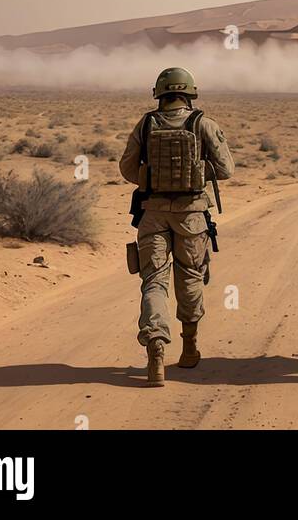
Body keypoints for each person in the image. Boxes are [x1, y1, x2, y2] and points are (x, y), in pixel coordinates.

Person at [119, 67, 234, 387]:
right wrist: (197, 170)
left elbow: (127, 169)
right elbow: (226, 169)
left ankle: (155, 345)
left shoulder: (145, 124)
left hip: (152, 215)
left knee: (154, 281)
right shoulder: (203, 124)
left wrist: (153, 177)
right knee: (191, 277)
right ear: (190, 93)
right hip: (192, 216)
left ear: (159, 93)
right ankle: (189, 347)